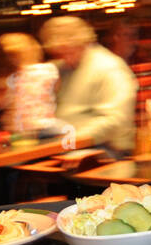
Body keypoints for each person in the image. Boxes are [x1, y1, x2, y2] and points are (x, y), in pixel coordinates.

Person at [39, 16, 138, 155]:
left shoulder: (109, 67)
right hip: (68, 147)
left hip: (106, 151)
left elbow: (115, 121)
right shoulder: (62, 68)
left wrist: (70, 140)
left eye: (68, 51)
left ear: (83, 43)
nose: (64, 58)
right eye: (58, 53)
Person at [0, 32, 59, 135]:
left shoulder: (14, 78)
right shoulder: (49, 70)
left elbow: (6, 103)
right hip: (44, 124)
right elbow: (57, 90)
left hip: (20, 128)